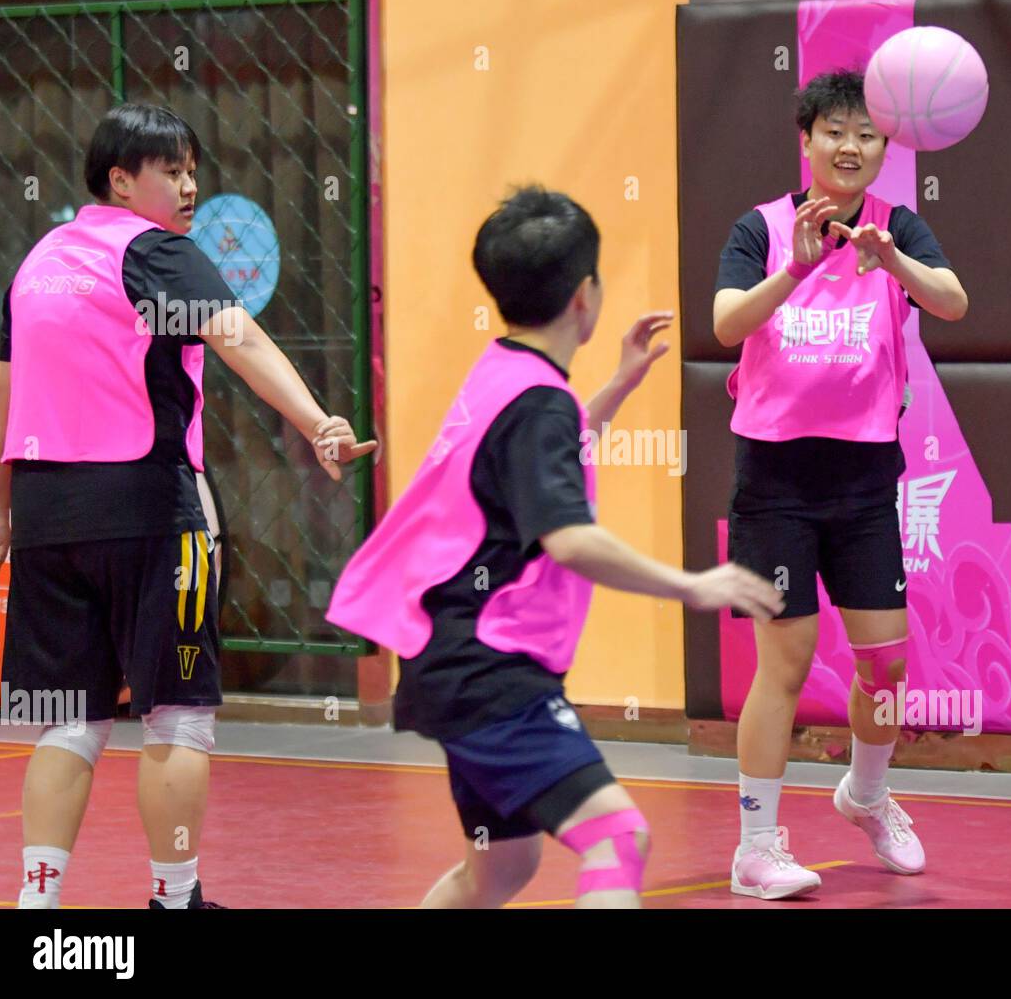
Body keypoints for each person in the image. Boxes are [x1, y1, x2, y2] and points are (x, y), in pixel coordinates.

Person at [327, 186, 784, 909]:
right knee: (618, 837)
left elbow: (542, 454)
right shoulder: (537, 400)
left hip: (447, 659)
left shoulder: (505, 373)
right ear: (585, 296)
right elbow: (567, 537)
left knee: (501, 867)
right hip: (489, 669)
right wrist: (693, 585)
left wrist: (618, 386)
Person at [0, 102, 376, 909]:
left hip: (47, 519)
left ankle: (36, 905)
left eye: (193, 168)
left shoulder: (38, 261)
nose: (190, 185)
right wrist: (319, 425)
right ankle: (175, 898)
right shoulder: (156, 254)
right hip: (150, 511)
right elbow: (239, 337)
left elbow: (6, 388)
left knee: (68, 721)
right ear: (121, 180)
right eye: (171, 170)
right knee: (177, 712)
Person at [713, 70, 969, 899]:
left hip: (863, 477)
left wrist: (894, 264)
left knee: (886, 665)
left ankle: (865, 794)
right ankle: (756, 847)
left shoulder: (899, 228)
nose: (850, 145)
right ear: (807, 139)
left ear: (885, 147)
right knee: (782, 664)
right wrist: (794, 269)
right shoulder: (758, 227)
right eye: (834, 130)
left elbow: (955, 302)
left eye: (866, 134)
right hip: (776, 476)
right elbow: (725, 324)